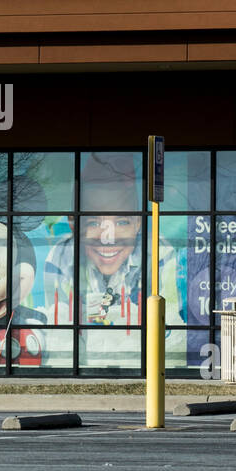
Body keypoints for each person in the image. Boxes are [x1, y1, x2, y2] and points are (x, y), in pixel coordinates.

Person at [42, 153, 185, 367]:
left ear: (138, 223)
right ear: (75, 225)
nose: (108, 238)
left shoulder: (158, 252)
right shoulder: (61, 255)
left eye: (122, 222)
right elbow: (59, 332)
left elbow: (170, 325)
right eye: (93, 223)